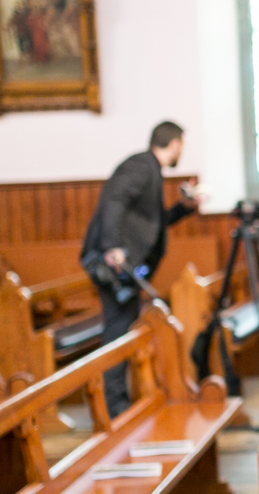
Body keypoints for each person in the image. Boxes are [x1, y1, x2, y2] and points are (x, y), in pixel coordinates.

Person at [80, 120, 198, 416]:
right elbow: (113, 200)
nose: (181, 150)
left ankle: (119, 403)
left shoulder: (151, 170)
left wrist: (184, 207)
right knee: (117, 332)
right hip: (114, 264)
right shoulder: (140, 165)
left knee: (124, 329)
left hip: (128, 265)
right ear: (174, 144)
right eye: (181, 145)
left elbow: (152, 225)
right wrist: (111, 246)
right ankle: (113, 407)